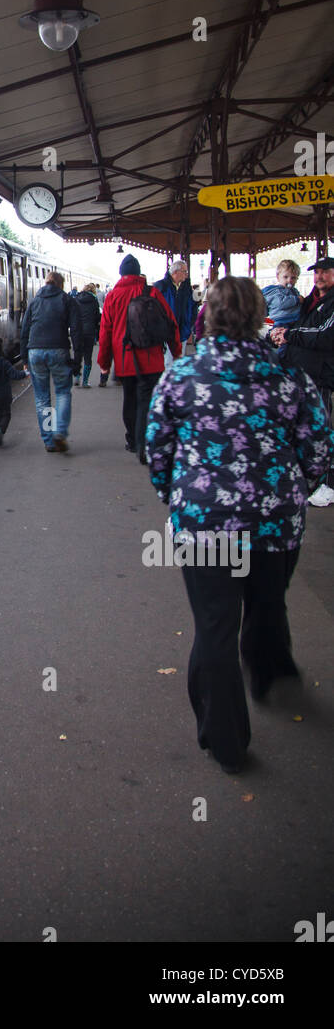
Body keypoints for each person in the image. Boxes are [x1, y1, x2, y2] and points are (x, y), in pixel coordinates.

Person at [145, 277, 334, 773]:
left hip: (206, 527)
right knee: (268, 604)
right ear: (258, 318)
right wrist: (292, 492)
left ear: (207, 315)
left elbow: (157, 450)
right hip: (275, 526)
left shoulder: (181, 375)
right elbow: (318, 449)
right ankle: (269, 674)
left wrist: (178, 499)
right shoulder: (290, 377)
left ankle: (226, 740)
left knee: (214, 629)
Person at [97, 254, 181, 462]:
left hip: (126, 359)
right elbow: (170, 323)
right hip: (152, 358)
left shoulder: (112, 296)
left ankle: (133, 441)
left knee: (130, 398)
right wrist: (177, 351)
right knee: (148, 400)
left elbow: (105, 332)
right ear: (138, 272)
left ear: (122, 274)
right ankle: (146, 441)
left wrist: (104, 363)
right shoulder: (151, 292)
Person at [271, 256, 334, 506]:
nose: (319, 277)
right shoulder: (309, 301)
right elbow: (298, 327)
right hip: (303, 373)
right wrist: (277, 334)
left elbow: (325, 334)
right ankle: (309, 479)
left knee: (324, 429)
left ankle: (328, 484)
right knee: (305, 429)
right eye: (317, 272)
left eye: (326, 272)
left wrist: (289, 335)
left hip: (323, 375)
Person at [20, 270, 82, 453]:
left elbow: (24, 330)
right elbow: (77, 331)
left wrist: (24, 357)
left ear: (46, 282)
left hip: (35, 351)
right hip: (58, 350)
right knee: (63, 392)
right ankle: (60, 432)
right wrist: (77, 359)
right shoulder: (67, 300)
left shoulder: (34, 300)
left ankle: (48, 441)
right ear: (61, 284)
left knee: (42, 398)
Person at [153, 259, 195, 368]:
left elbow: (191, 307)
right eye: (184, 271)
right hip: (166, 332)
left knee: (179, 362)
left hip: (182, 331)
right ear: (176, 272)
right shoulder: (161, 286)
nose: (186, 274)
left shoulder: (186, 288)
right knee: (167, 362)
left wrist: (189, 324)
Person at [262, 258, 302, 330]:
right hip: (281, 322)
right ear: (278, 276)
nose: (289, 280)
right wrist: (297, 300)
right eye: (285, 277)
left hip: (295, 320)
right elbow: (280, 303)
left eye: (293, 278)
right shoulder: (275, 291)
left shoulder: (294, 291)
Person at [73, 282, 100, 387]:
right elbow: (97, 316)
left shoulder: (76, 299)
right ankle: (85, 381)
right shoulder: (94, 300)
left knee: (77, 353)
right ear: (93, 290)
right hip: (89, 331)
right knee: (88, 356)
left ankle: (76, 376)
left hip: (78, 331)